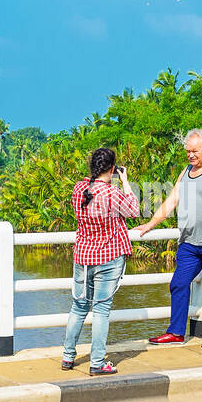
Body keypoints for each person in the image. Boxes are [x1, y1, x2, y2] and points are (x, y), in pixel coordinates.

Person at [134, 128, 202, 348]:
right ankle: (176, 332)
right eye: (188, 151)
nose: (190, 155)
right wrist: (150, 224)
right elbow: (171, 201)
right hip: (189, 242)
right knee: (178, 284)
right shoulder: (186, 172)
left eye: (195, 151)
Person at [62, 147, 140, 375]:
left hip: (83, 257)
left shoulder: (79, 189)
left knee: (78, 307)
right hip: (108, 257)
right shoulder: (111, 194)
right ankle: (97, 363)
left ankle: (68, 357)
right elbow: (134, 210)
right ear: (113, 168)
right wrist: (125, 181)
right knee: (101, 310)